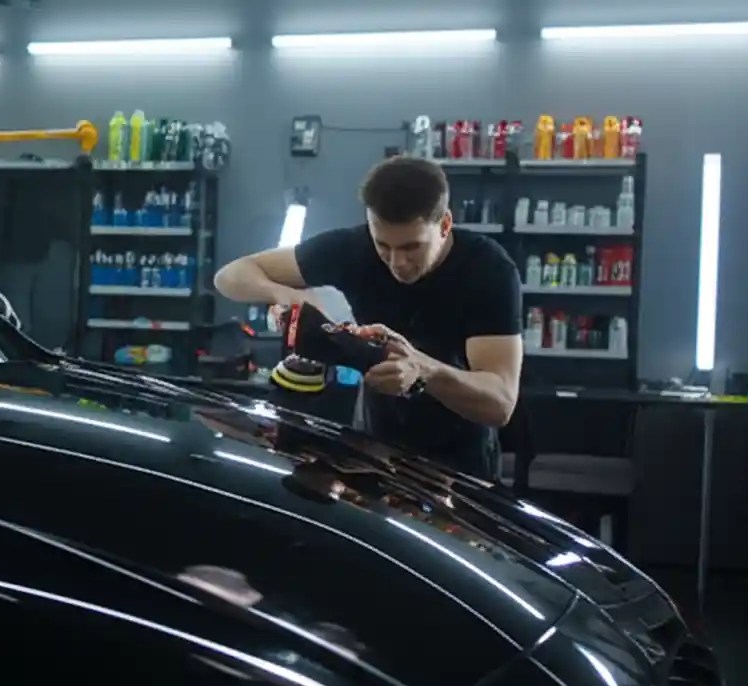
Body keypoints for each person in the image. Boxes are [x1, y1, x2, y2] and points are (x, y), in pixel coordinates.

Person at [213, 156, 522, 479]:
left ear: (445, 225)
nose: (396, 262)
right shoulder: (352, 249)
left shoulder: (487, 270)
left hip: (461, 465)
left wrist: (422, 369)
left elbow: (500, 403)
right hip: (375, 447)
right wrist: (287, 295)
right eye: (383, 245)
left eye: (411, 247)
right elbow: (230, 276)